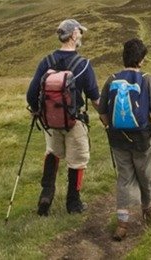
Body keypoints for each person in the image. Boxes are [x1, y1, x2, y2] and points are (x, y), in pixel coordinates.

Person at [25, 19, 100, 215]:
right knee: (77, 160)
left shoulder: (46, 61)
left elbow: (31, 94)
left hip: (51, 121)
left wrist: (38, 111)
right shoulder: (83, 64)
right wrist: (104, 115)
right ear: (73, 35)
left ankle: (46, 196)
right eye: (80, 32)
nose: (81, 36)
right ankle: (73, 204)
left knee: (53, 153)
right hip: (74, 121)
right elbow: (94, 97)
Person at [98, 38, 151, 241]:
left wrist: (109, 127)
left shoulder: (111, 79)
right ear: (141, 59)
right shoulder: (147, 80)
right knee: (144, 174)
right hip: (143, 140)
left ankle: (122, 224)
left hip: (118, 139)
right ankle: (148, 210)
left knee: (124, 178)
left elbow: (102, 112)